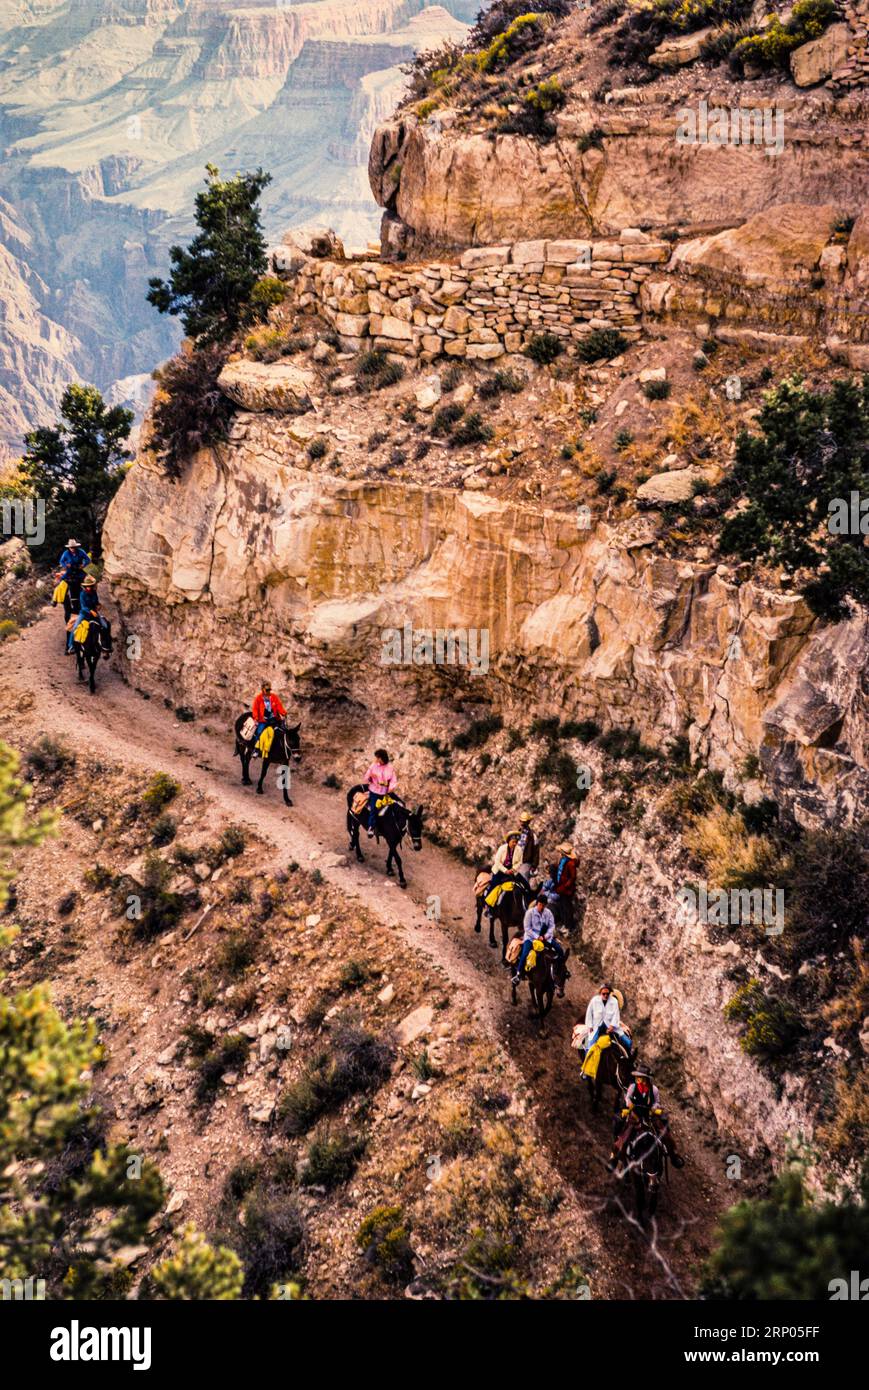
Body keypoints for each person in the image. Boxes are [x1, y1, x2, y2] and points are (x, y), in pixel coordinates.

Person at [608, 1066, 684, 1171]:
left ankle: (673, 1155)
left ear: (646, 1079)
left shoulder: (654, 1090)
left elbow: (656, 1102)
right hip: (635, 1115)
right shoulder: (632, 1087)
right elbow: (628, 1098)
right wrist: (630, 1105)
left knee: (664, 1131)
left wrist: (653, 1108)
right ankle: (614, 1157)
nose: (638, 1079)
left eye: (641, 1077)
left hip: (649, 1115)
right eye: (637, 1077)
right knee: (624, 1135)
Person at [512, 893, 565, 989]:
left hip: (545, 937)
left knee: (559, 949)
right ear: (537, 904)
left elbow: (552, 926)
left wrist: (546, 936)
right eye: (540, 904)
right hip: (531, 938)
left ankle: (561, 971)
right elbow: (527, 928)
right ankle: (519, 974)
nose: (541, 907)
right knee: (525, 953)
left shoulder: (548, 913)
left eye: (543, 905)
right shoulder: (530, 913)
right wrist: (537, 936)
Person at [583, 983, 631, 1054]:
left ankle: (628, 1060)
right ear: (600, 993)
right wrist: (590, 1026)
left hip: (610, 1025)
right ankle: (588, 1062)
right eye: (603, 993)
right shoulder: (594, 1001)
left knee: (628, 1042)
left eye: (607, 994)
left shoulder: (614, 1001)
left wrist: (612, 1026)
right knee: (589, 1047)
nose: (606, 995)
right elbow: (589, 1013)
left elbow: (616, 1015)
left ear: (610, 993)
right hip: (596, 1026)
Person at [67, 574, 109, 653]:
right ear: (85, 586)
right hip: (84, 614)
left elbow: (96, 602)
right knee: (75, 627)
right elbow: (83, 606)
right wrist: (90, 611)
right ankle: (71, 646)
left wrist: (98, 605)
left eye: (90, 586)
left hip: (94, 613)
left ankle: (106, 645)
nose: (88, 587)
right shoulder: (82, 594)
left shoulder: (94, 593)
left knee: (105, 626)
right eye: (87, 586)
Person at [364, 748, 397, 838]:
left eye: (378, 758)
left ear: (382, 758)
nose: (376, 760)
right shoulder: (373, 766)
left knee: (396, 805)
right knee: (374, 808)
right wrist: (370, 776)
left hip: (386, 792)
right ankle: (371, 827)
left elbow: (393, 780)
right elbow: (366, 777)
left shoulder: (390, 767)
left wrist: (391, 788)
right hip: (374, 791)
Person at [550, 841, 577, 929]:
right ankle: (565, 924)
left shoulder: (571, 864)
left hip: (566, 889)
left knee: (567, 907)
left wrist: (565, 886)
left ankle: (569, 926)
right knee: (563, 906)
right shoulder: (563, 860)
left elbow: (572, 878)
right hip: (562, 887)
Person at [516, 811, 540, 882]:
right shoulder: (517, 834)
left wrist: (534, 866)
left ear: (528, 822)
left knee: (523, 880)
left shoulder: (533, 837)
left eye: (524, 822)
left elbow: (536, 853)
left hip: (526, 861)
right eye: (521, 821)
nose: (522, 823)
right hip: (516, 861)